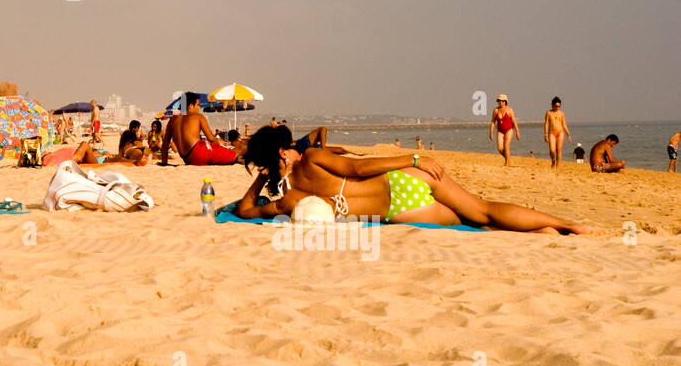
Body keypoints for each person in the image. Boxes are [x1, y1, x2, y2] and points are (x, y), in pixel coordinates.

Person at [231, 125, 594, 234]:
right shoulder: (311, 157)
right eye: (289, 145)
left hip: (397, 211)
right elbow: (358, 169)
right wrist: (414, 158)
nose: (296, 147)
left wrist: (261, 180)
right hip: (399, 182)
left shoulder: (289, 201)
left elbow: (244, 210)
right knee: (481, 210)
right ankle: (566, 224)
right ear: (283, 152)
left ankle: (546, 233)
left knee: (475, 224)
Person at [160, 93, 237, 166]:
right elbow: (211, 138)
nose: (199, 107)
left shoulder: (172, 119)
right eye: (198, 105)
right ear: (190, 106)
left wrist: (164, 162)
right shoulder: (198, 116)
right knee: (235, 156)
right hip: (198, 152)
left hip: (186, 158)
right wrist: (224, 144)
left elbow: (165, 143)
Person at [489, 94, 520, 167]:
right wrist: (491, 132)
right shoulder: (496, 110)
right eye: (498, 101)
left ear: (505, 101)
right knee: (500, 148)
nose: (499, 102)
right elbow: (493, 121)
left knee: (506, 146)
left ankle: (507, 162)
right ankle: (509, 160)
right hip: (500, 131)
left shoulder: (509, 109)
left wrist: (517, 132)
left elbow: (514, 121)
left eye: (501, 101)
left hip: (509, 130)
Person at [543, 97, 571, 169]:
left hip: (560, 132)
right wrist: (545, 134)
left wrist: (568, 134)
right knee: (552, 150)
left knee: (559, 150)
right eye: (556, 106)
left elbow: (564, 124)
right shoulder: (548, 113)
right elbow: (546, 124)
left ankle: (558, 165)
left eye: (559, 106)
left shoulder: (561, 113)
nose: (557, 107)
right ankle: (553, 161)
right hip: (551, 132)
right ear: (552, 105)